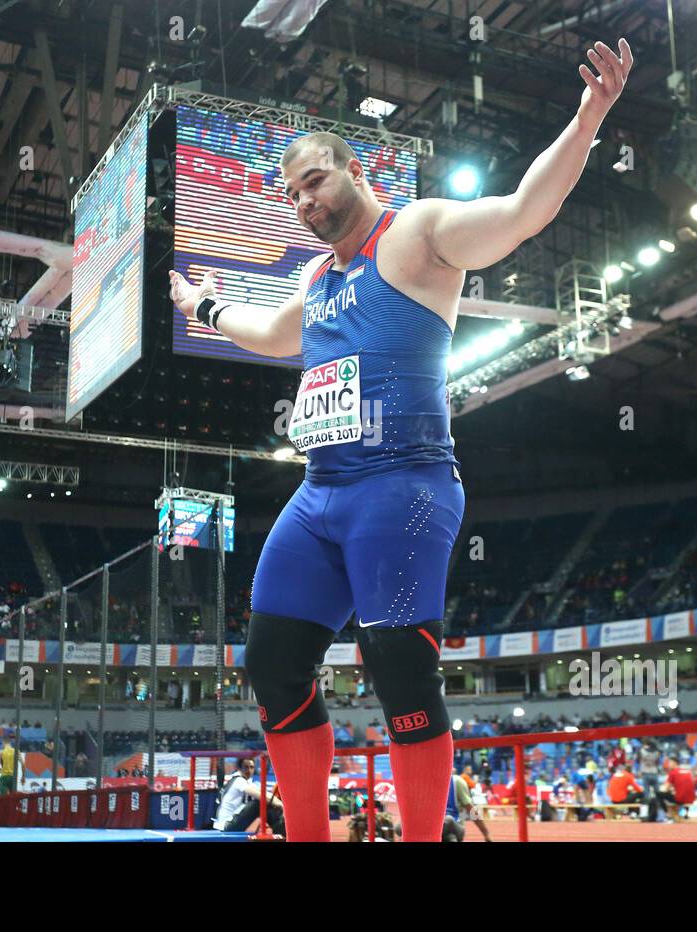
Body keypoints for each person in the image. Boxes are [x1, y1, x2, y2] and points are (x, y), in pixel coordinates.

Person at [169, 39, 634, 843]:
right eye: (291, 195)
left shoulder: (415, 234)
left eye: (314, 180)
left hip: (405, 484)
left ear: (355, 170)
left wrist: (590, 117)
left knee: (398, 667)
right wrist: (206, 310)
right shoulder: (313, 280)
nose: (304, 201)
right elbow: (273, 335)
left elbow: (525, 212)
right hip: (320, 495)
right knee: (273, 666)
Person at [213, 758, 285, 834]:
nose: (249, 770)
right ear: (239, 768)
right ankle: (282, 832)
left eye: (251, 767)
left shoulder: (246, 782)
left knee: (269, 805)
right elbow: (261, 796)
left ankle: (281, 831)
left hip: (231, 823)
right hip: (227, 825)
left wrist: (279, 802)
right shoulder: (239, 781)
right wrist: (281, 805)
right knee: (258, 803)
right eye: (246, 767)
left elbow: (265, 793)